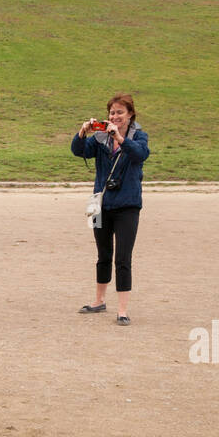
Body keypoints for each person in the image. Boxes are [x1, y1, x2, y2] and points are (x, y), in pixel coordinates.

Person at [71, 93, 149, 325]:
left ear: (130, 115)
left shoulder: (139, 136)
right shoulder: (100, 137)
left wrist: (120, 138)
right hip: (100, 205)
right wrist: (82, 132)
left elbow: (140, 155)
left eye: (120, 113)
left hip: (127, 206)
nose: (115, 117)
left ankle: (122, 310)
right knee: (103, 254)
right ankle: (99, 301)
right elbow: (78, 151)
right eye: (112, 113)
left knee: (123, 258)